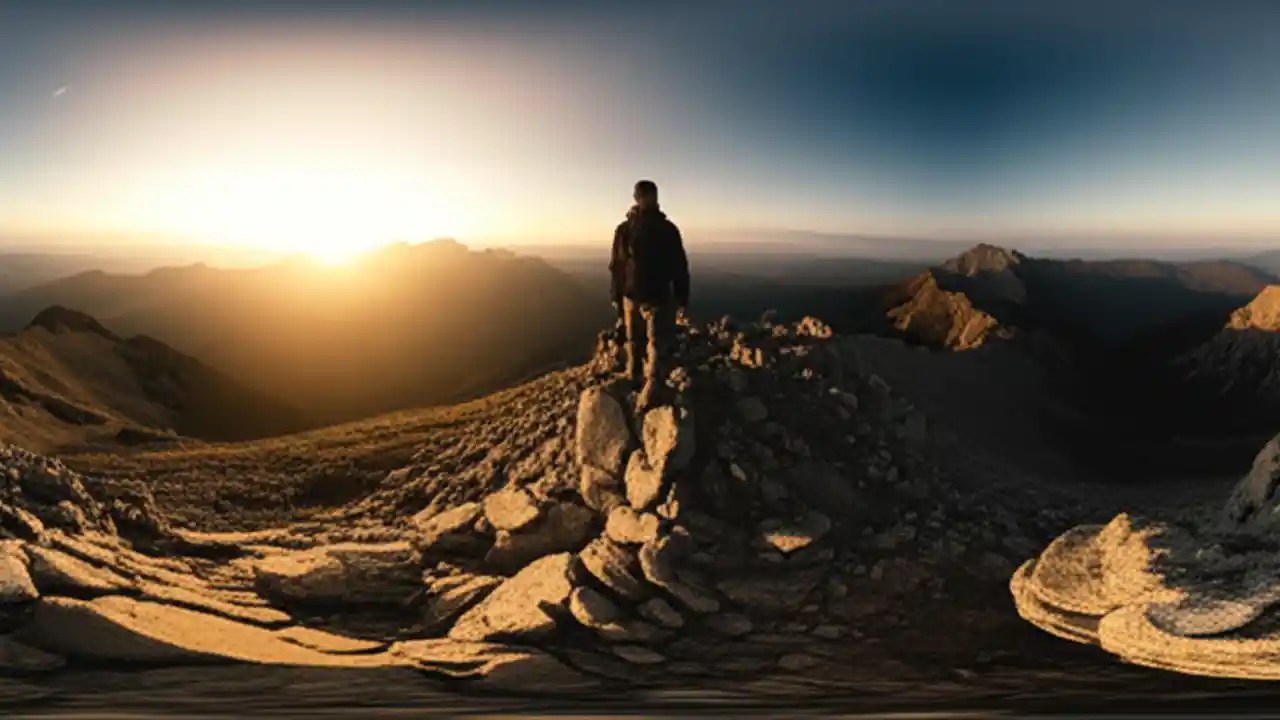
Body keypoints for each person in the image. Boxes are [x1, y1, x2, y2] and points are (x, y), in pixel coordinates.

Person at [609, 180, 690, 409]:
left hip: (633, 295)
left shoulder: (625, 229)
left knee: (637, 340)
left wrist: (616, 295)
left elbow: (617, 266)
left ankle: (635, 378)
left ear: (636, 198)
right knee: (655, 343)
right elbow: (680, 266)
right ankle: (652, 388)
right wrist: (682, 298)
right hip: (656, 296)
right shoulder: (667, 229)